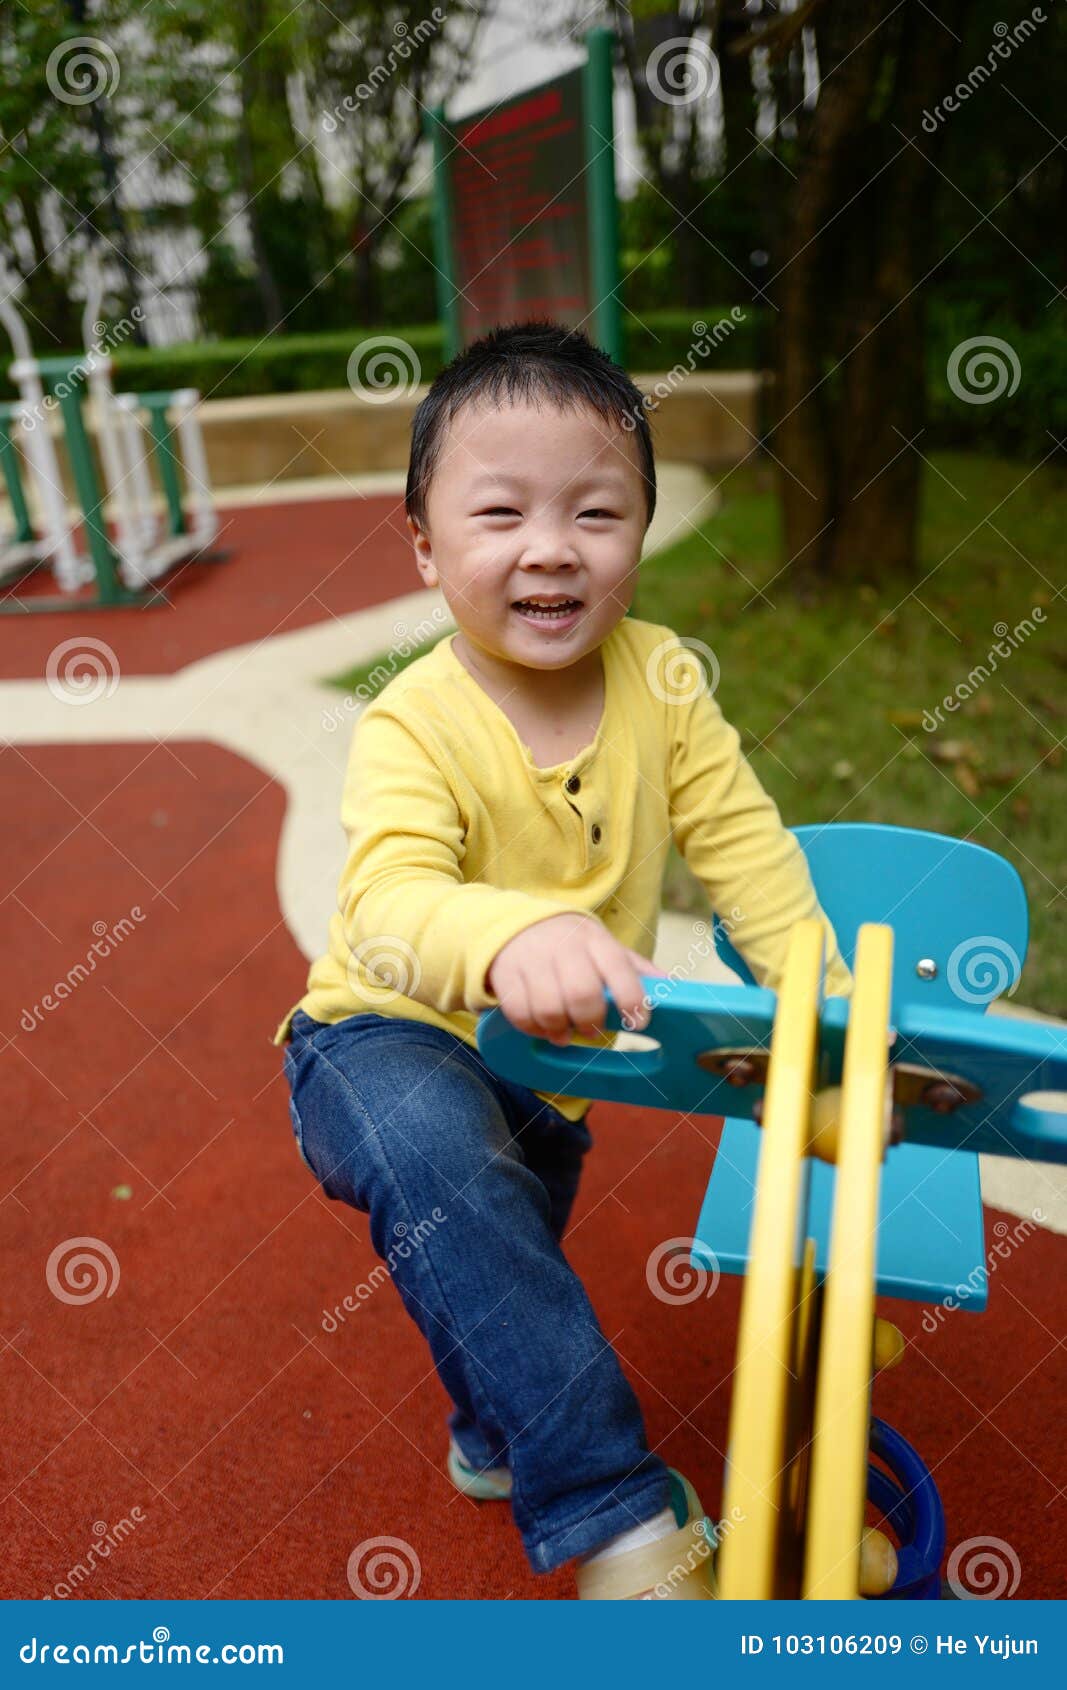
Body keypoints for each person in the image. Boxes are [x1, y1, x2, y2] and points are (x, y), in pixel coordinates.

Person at [274, 320, 853, 1599]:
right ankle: (616, 1518)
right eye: (498, 514)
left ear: (643, 534)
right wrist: (510, 931)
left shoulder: (665, 683)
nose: (549, 546)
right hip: (383, 1033)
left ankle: (496, 1433)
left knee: (498, 1249)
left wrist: (822, 1015)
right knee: (442, 1167)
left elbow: (745, 849)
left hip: (547, 1063)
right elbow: (385, 902)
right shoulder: (412, 719)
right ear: (424, 546)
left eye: (597, 511)